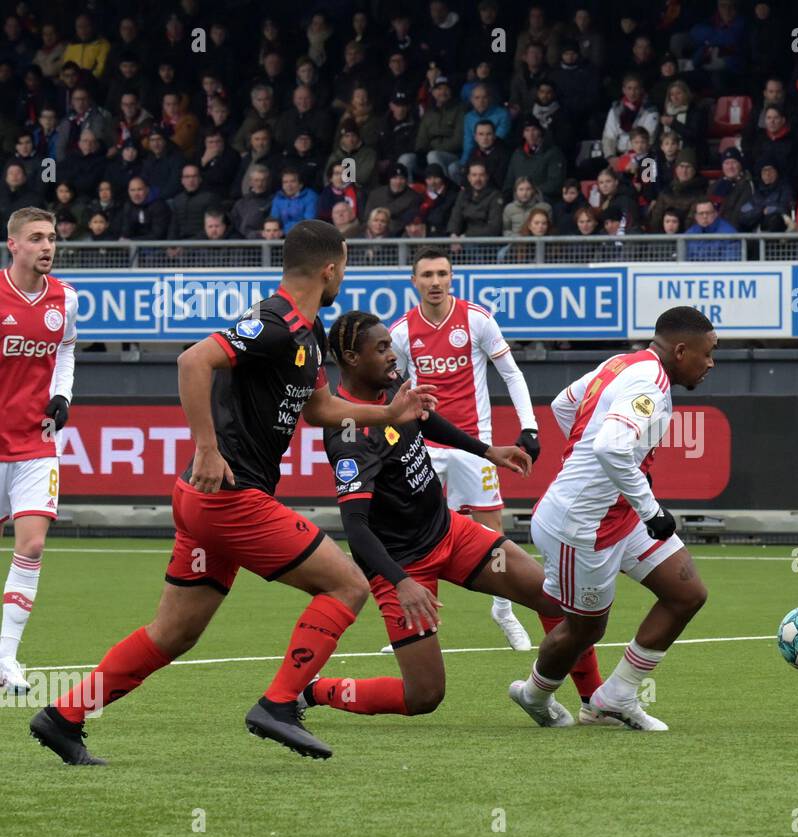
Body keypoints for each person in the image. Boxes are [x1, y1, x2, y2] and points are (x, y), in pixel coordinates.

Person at [31, 221, 437, 765]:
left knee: (173, 632)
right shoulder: (274, 322)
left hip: (208, 502)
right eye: (345, 266)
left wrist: (386, 412)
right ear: (330, 268)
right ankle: (279, 703)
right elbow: (193, 361)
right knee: (347, 586)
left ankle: (62, 717)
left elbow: (318, 408)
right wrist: (206, 447)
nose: (345, 275)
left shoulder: (307, 334)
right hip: (230, 496)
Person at [309, 311, 600, 718]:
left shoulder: (390, 387)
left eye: (390, 345)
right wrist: (401, 582)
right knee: (424, 696)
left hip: (451, 534)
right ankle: (316, 690)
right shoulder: (349, 432)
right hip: (402, 566)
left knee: (552, 598)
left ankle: (594, 702)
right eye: (381, 349)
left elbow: (425, 421)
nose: (393, 356)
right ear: (351, 359)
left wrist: (487, 450)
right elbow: (354, 528)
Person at [510, 308, 716, 731]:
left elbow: (564, 404)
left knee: (687, 592)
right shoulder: (651, 384)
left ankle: (615, 697)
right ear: (681, 350)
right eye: (708, 353)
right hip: (581, 527)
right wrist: (650, 509)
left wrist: (592, 460)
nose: (711, 363)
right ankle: (532, 695)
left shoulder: (625, 361)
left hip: (617, 515)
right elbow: (610, 448)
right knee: (585, 631)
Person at [389, 250, 544, 651]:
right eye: (427, 275)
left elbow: (511, 373)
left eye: (442, 273)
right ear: (415, 281)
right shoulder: (402, 331)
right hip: (424, 444)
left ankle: (504, 611)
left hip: (477, 444)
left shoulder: (477, 319)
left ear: (452, 278)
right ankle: (412, 622)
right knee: (412, 528)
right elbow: (396, 390)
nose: (435, 281)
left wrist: (529, 426)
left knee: (491, 530)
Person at [0, 208, 76, 693]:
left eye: (51, 238)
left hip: (36, 442)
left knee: (31, 545)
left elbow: (66, 349)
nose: (47, 246)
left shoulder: (65, 298)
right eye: (36, 238)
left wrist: (63, 395)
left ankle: (6, 659)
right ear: (13, 245)